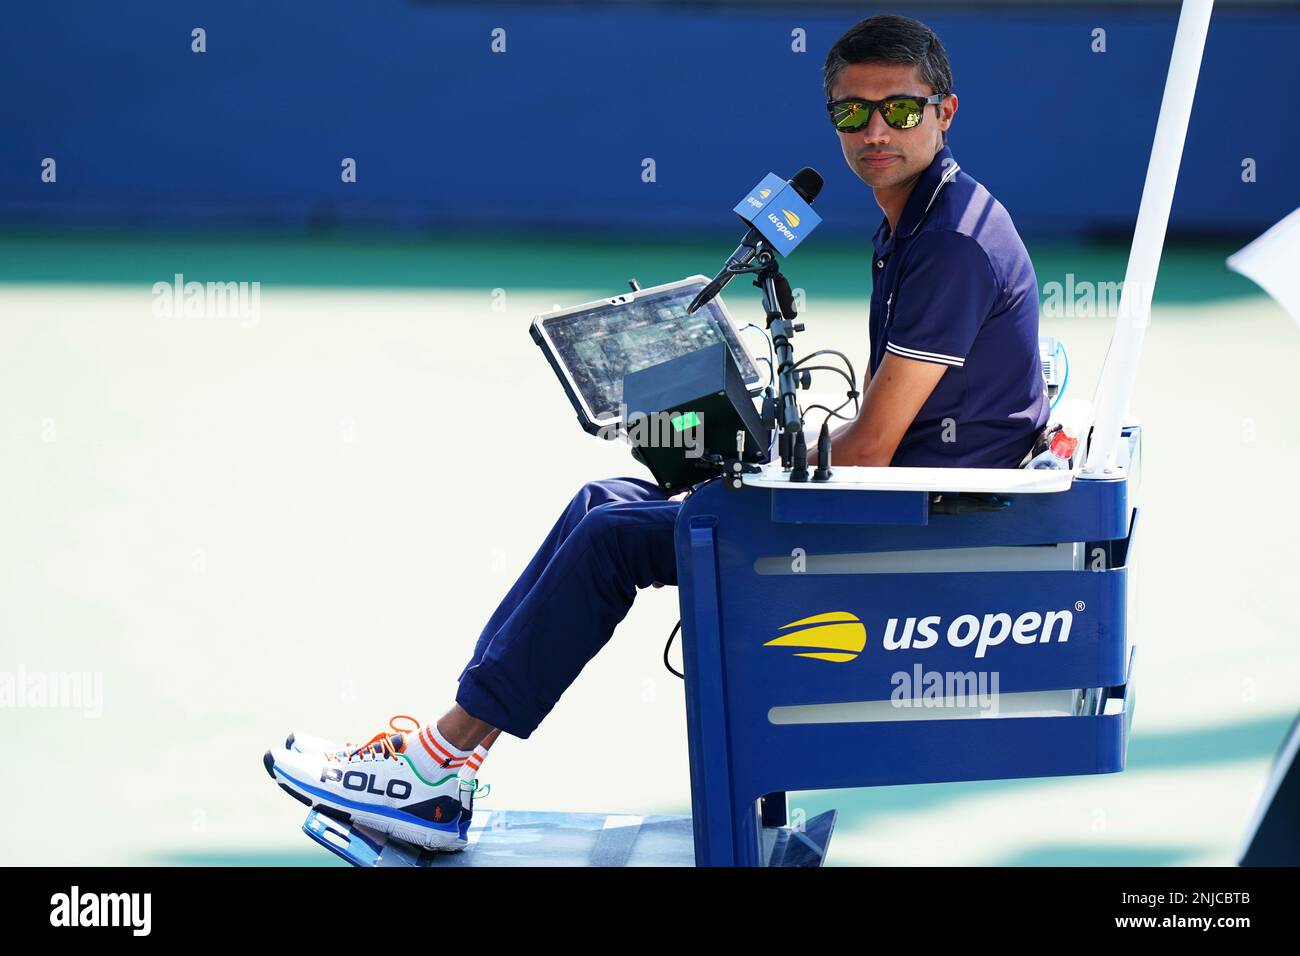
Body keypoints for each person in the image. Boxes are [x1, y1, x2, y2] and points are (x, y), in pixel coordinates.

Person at [262, 12, 1050, 851]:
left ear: (946, 111)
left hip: (908, 539)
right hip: (908, 503)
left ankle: (436, 763)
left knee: (611, 541)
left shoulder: (951, 242)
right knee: (604, 497)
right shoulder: (924, 215)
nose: (875, 131)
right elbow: (885, 434)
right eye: (852, 113)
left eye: (900, 108)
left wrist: (763, 472)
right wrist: (758, 443)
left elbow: (868, 453)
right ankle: (446, 760)